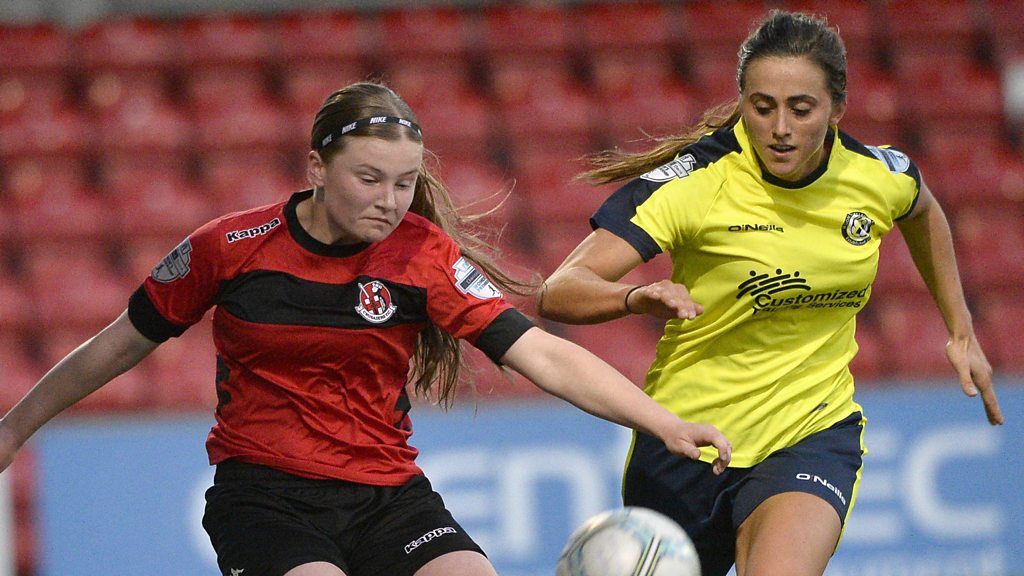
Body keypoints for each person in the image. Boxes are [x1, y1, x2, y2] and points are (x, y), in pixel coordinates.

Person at [0, 82, 731, 576]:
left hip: (389, 496)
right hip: (265, 499)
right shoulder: (227, 248)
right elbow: (118, 344)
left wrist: (661, 421)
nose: (389, 200)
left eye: (405, 181)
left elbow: (542, 354)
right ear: (316, 166)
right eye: (368, 178)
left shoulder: (422, 256)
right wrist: (14, 427)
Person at [537, 9, 1005, 576]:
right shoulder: (698, 183)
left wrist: (960, 329)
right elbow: (560, 291)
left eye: (800, 109)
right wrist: (635, 298)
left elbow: (922, 208)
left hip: (810, 429)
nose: (780, 128)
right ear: (742, 102)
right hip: (687, 441)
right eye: (762, 107)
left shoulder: (877, 176)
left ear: (837, 109)